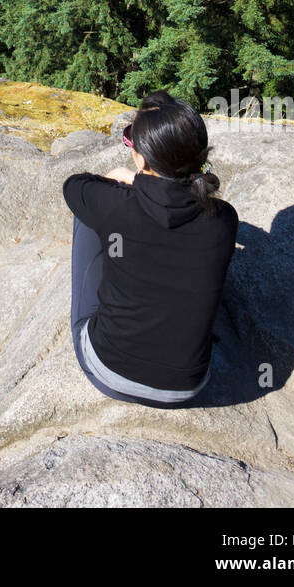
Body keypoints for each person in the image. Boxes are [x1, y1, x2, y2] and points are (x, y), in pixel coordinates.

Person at [63, 89, 238, 407]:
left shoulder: (117, 207)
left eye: (132, 140)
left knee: (87, 217)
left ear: (141, 157)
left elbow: (73, 187)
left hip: (111, 370)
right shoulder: (224, 219)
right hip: (188, 385)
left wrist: (123, 181)